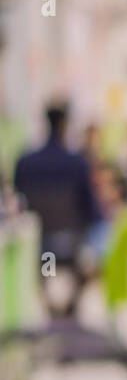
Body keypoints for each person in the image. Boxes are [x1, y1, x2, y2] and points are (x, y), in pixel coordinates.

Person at [12, 102, 104, 318]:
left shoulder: (25, 162)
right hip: (70, 251)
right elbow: (93, 212)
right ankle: (68, 309)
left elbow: (18, 206)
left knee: (48, 265)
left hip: (41, 252)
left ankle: (53, 309)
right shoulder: (77, 163)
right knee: (95, 250)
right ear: (64, 124)